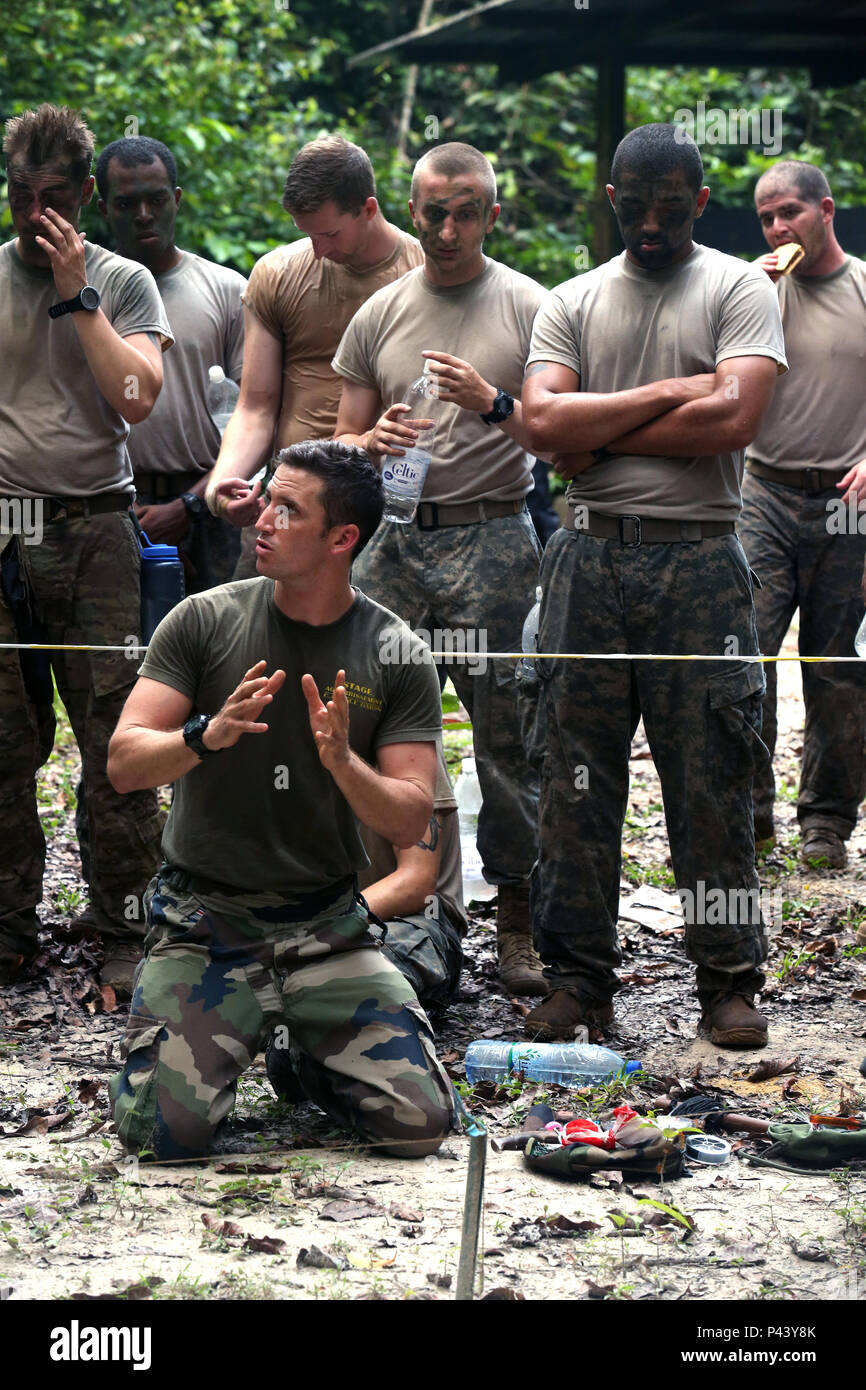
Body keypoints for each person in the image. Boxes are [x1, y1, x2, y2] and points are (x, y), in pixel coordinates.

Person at [106, 441, 455, 1160]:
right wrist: (205, 736)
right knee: (165, 1138)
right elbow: (124, 763)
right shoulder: (202, 621)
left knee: (418, 1125)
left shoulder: (396, 653)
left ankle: (296, 1055)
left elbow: (411, 817)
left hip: (328, 928)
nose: (261, 519)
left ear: (342, 539)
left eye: (287, 509)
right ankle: (214, 1036)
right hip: (208, 922)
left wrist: (342, 763)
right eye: (267, 500)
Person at [521, 123, 786, 1048]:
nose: (652, 224)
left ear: (700, 203)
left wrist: (596, 437)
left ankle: (726, 981)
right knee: (572, 772)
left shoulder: (740, 286)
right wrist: (677, 393)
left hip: (701, 560)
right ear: (612, 200)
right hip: (585, 560)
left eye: (672, 206)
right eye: (635, 206)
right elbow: (542, 422)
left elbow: (737, 415)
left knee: (710, 773)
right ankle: (576, 979)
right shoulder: (570, 301)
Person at [333, 142, 547, 997]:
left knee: (509, 740)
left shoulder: (534, 306)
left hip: (493, 541)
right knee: (364, 728)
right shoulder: (380, 313)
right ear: (408, 212)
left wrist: (492, 404)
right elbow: (334, 443)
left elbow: (564, 442)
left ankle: (521, 921)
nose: (450, 228)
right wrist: (367, 443)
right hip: (391, 540)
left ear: (494, 214)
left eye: (467, 212)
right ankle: (384, 907)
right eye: (434, 213)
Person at [0, 104, 172, 993]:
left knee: (116, 740)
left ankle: (122, 932)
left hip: (98, 525)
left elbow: (136, 399)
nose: (35, 214)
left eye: (55, 196)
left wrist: (76, 296)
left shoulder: (124, 282)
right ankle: (7, 929)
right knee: (3, 744)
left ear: (86, 194)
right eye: (20, 194)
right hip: (5, 527)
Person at [203, 134, 423, 572]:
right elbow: (255, 406)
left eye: (329, 233)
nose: (318, 250)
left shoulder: (420, 273)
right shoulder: (276, 273)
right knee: (261, 631)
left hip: (386, 505)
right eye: (306, 235)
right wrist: (222, 486)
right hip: (288, 499)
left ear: (368, 209)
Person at [738, 160, 866, 869]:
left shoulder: (862, 286)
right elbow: (713, 371)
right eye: (766, 218)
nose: (778, 228)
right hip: (765, 491)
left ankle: (826, 821)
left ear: (825, 209)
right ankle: (752, 815)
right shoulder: (754, 291)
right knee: (747, 654)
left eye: (789, 212)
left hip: (848, 504)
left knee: (837, 666)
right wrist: (747, 297)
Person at [96, 135, 247, 592]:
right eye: (126, 203)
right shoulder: (81, 294)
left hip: (209, 506)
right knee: (120, 655)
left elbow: (255, 414)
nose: (143, 215)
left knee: (220, 653)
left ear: (176, 200)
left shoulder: (226, 290)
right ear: (102, 207)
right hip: (110, 505)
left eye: (156, 200)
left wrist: (190, 504)